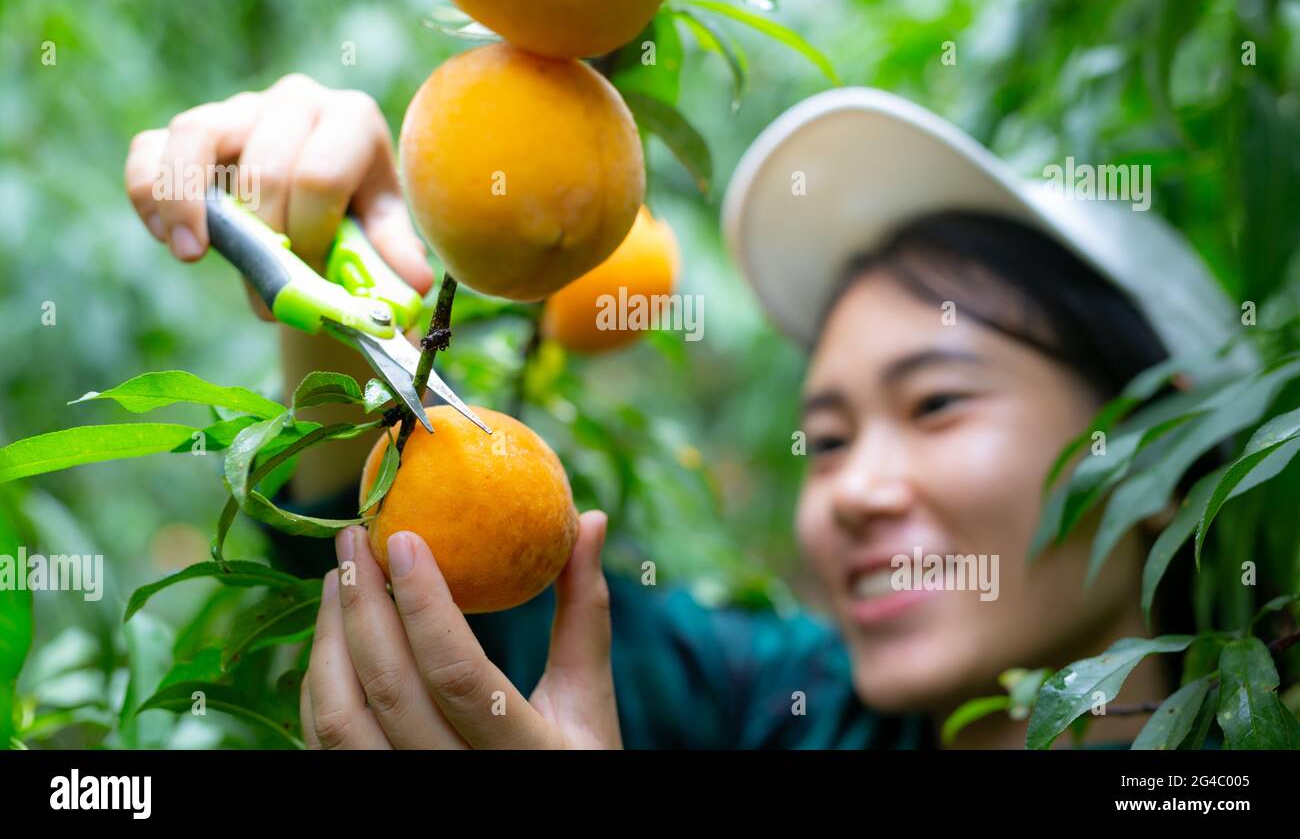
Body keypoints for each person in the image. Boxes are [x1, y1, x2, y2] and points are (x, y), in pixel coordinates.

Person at [124, 79, 1249, 749]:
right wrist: (326, 268)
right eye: (833, 435)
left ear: (1164, 448)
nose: (851, 490)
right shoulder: (781, 706)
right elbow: (478, 590)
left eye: (937, 401)